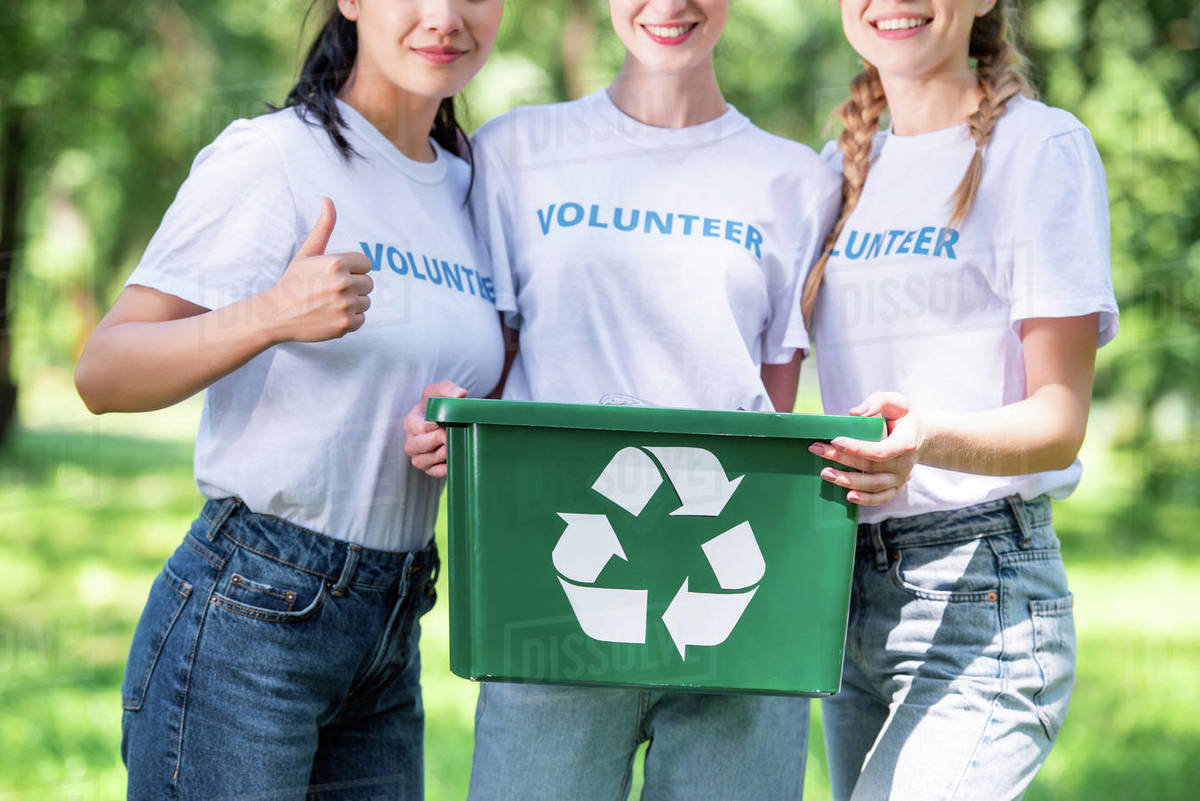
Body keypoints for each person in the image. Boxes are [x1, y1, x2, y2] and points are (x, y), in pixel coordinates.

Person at [404, 1, 909, 797]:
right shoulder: (518, 151)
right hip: (548, 601)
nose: (670, 7)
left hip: (734, 610)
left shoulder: (796, 179)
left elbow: (772, 421)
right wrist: (447, 410)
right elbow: (491, 361)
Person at [74, 1, 504, 798]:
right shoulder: (274, 157)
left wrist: (461, 424)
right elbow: (103, 371)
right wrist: (270, 313)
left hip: (390, 628)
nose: (444, 16)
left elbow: (473, 375)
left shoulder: (473, 186)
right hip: (253, 617)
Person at [803, 1, 1119, 798]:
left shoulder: (1040, 150)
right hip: (841, 590)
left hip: (979, 594)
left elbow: (1059, 422)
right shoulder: (838, 166)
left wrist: (924, 438)